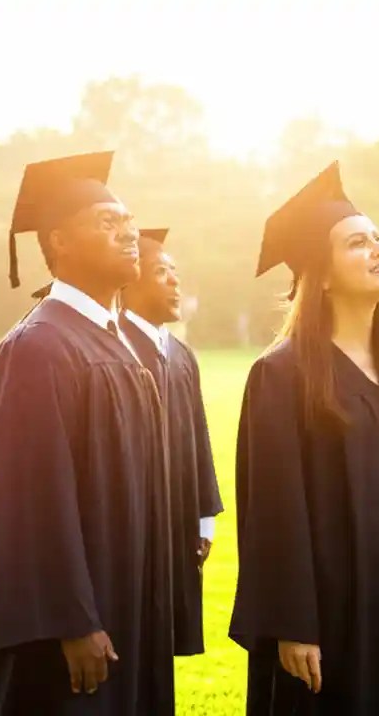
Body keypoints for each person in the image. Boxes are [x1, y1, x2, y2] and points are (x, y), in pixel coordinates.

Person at [229, 162, 379, 714]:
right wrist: (291, 623)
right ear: (324, 274)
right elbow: (271, 513)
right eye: (358, 242)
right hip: (328, 621)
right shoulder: (283, 375)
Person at [0, 152, 175, 715]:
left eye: (129, 222)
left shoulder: (115, 343)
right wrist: (71, 619)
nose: (129, 233)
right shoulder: (39, 347)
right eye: (108, 223)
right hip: (71, 633)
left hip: (125, 606)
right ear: (58, 242)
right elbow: (29, 502)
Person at [120, 227, 225, 658]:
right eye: (162, 272)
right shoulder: (117, 349)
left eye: (175, 272)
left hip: (176, 519)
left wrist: (203, 516)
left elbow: (197, 438)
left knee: (161, 640)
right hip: (132, 524)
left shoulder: (181, 354)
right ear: (131, 281)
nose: (175, 282)